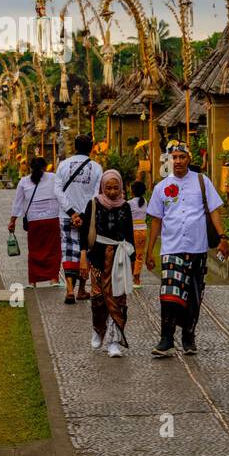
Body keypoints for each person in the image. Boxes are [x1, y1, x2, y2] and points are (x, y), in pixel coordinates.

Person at [144, 143, 227, 357]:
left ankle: (188, 336)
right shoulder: (161, 187)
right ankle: (166, 338)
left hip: (197, 247)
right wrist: (149, 251)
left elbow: (214, 211)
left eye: (182, 157)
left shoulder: (202, 181)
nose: (178, 161)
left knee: (194, 294)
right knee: (169, 294)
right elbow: (155, 221)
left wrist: (223, 237)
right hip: (171, 248)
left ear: (188, 159)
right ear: (169, 160)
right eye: (174, 157)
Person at [78, 170, 136, 358]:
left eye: (115, 188)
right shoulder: (94, 204)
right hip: (97, 258)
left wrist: (133, 262)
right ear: (102, 187)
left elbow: (130, 234)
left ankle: (113, 340)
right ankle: (98, 329)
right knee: (98, 298)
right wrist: (83, 256)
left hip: (119, 258)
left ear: (121, 187)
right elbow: (84, 231)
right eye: (108, 188)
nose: (112, 192)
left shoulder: (125, 207)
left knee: (118, 299)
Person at [57, 135, 103, 305]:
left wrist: (71, 213)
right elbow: (97, 193)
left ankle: (70, 289)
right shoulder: (97, 168)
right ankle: (82, 289)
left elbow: (57, 191)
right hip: (88, 217)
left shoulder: (63, 165)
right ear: (91, 147)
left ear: (74, 146)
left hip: (65, 216)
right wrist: (83, 214)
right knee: (87, 250)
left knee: (68, 250)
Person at [8, 157, 61, 287]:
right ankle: (54, 279)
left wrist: (12, 221)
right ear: (45, 167)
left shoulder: (24, 182)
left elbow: (17, 203)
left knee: (34, 250)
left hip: (34, 220)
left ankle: (33, 282)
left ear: (30, 168)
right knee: (53, 249)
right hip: (52, 218)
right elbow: (61, 195)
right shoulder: (54, 178)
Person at [129, 179, 148, 289]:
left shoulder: (130, 203)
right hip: (143, 231)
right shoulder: (145, 202)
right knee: (139, 256)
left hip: (133, 231)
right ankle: (137, 279)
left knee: (131, 255)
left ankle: (131, 276)